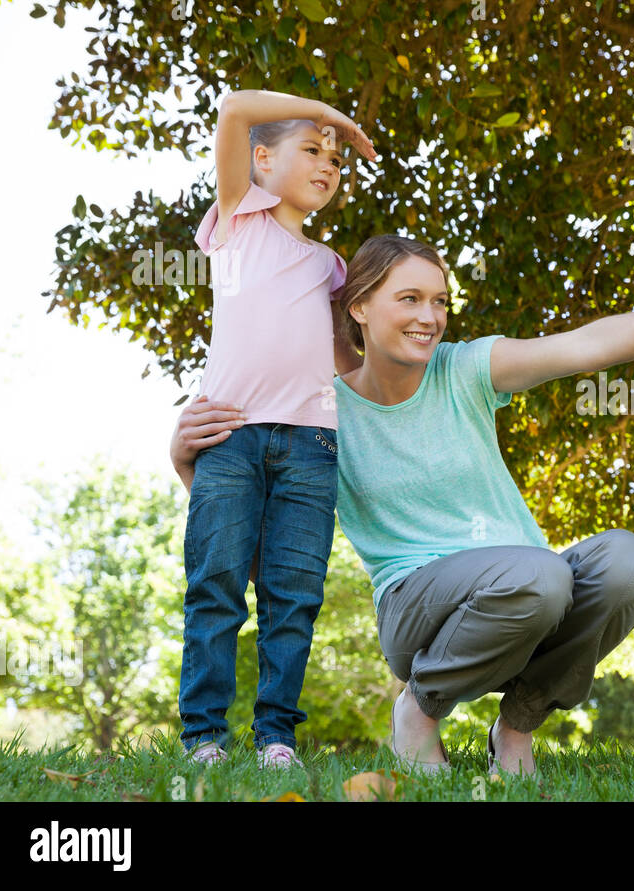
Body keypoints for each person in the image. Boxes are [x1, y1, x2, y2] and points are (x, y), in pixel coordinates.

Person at [171, 233, 634, 776]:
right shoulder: (320, 412)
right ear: (359, 307)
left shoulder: (466, 370)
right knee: (540, 573)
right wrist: (185, 462)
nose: (431, 315)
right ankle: (419, 708)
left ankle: (517, 728)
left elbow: (590, 345)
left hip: (530, 592)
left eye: (440, 300)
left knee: (626, 563)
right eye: (410, 299)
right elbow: (256, 555)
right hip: (418, 608)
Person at [171, 87, 375, 769]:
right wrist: (336, 112)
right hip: (231, 437)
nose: (328, 163)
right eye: (313, 149)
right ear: (261, 160)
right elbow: (232, 106)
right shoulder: (237, 221)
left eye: (337, 158)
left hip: (312, 447)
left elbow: (347, 364)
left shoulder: (330, 266)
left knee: (293, 596)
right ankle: (203, 736)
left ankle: (277, 737)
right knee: (216, 585)